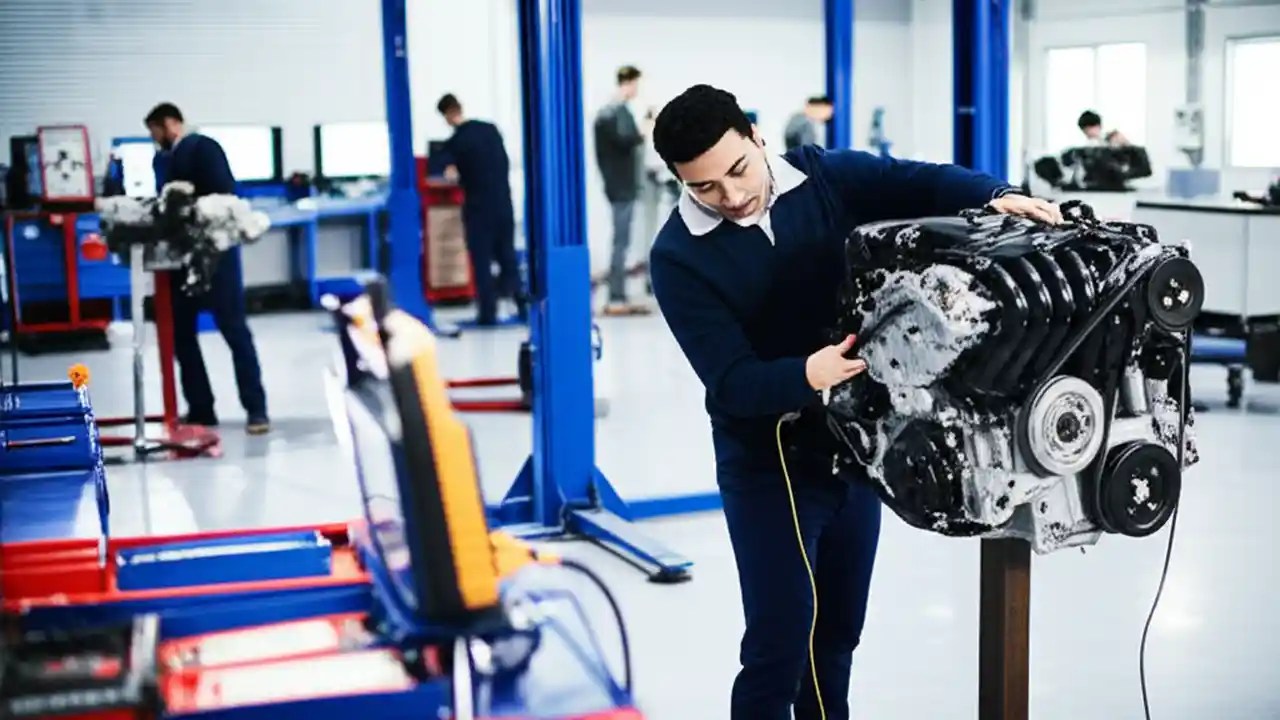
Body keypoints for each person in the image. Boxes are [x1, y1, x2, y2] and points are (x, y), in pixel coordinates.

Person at [647, 84, 1062, 720]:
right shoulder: (678, 257)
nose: (729, 197)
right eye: (703, 188)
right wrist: (807, 374)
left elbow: (919, 181)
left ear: (757, 139)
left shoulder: (821, 175)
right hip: (771, 460)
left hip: (858, 445)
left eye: (736, 170)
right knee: (779, 641)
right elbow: (730, 382)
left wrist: (997, 195)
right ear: (679, 181)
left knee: (838, 631)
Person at [144, 102, 269, 434]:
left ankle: (257, 409)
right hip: (179, 258)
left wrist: (189, 206)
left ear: (170, 123)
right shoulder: (162, 159)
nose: (155, 138)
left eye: (155, 130)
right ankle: (201, 408)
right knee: (182, 334)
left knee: (233, 330)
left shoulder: (204, 148)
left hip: (217, 256)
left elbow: (225, 194)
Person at [436, 93, 522, 326]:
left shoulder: (456, 142)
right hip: (504, 204)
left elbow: (446, 172)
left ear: (446, 116)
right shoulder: (490, 130)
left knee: (482, 261)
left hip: (478, 208)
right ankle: (522, 305)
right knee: (507, 256)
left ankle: (488, 313)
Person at [593, 65, 651, 316]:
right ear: (626, 83)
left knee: (623, 241)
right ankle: (616, 296)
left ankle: (619, 293)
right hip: (620, 186)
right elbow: (622, 142)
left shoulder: (616, 112)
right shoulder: (611, 113)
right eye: (635, 84)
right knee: (621, 241)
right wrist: (643, 129)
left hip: (622, 184)